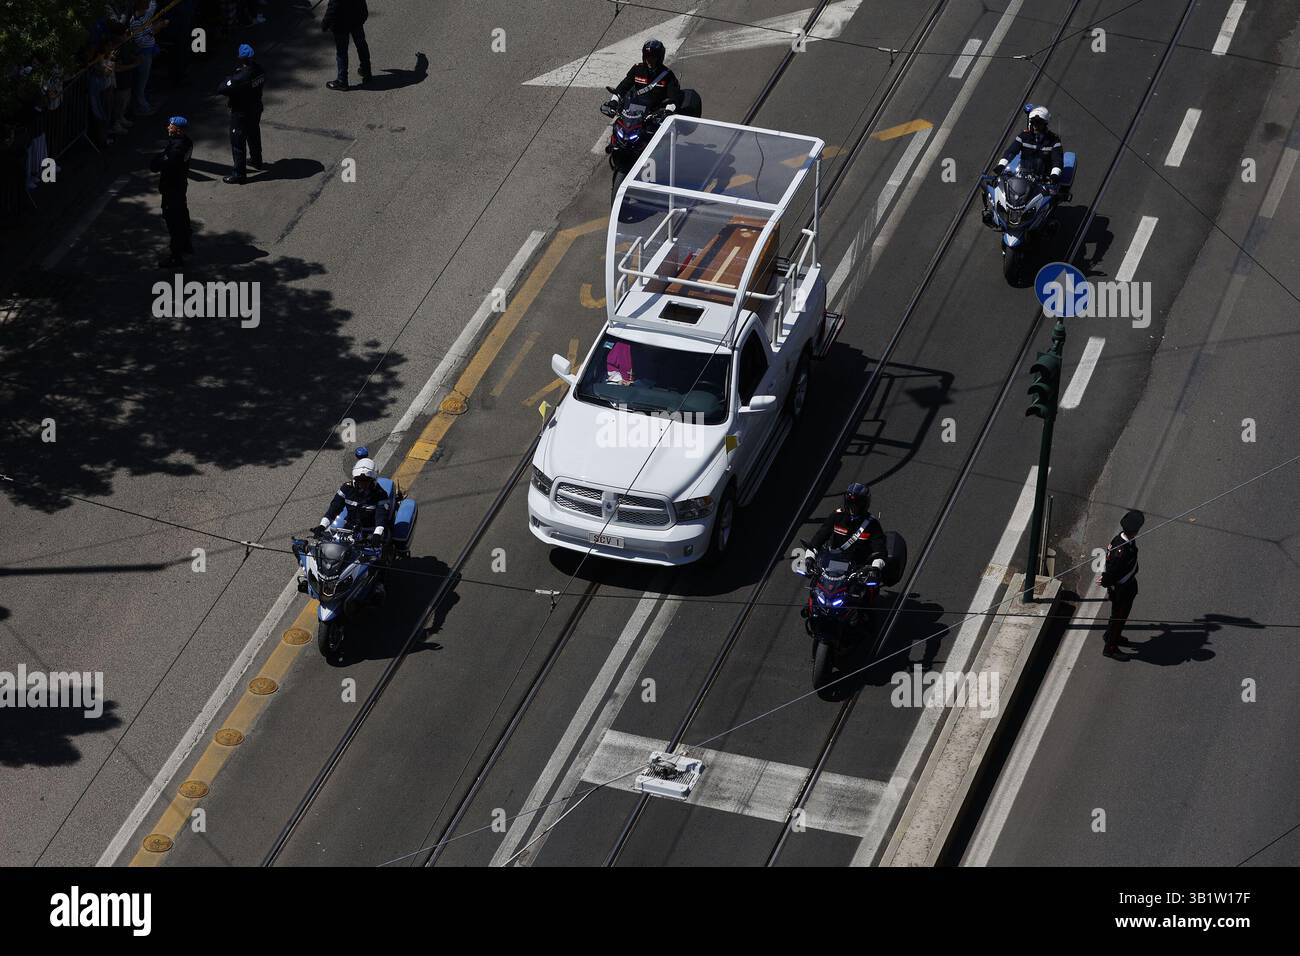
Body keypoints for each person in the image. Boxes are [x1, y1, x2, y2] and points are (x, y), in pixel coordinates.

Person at [807, 482, 888, 582]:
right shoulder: (836, 516)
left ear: (864, 504)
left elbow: (880, 551)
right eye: (850, 502)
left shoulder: (872, 524)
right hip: (832, 566)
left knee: (869, 589)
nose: (853, 507)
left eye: (857, 504)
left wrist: (874, 568)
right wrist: (809, 558)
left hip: (859, 571)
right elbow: (819, 538)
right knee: (815, 587)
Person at [149, 116, 194, 268]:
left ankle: (176, 256)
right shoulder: (186, 142)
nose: (168, 127)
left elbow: (156, 165)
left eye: (171, 126)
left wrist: (159, 157)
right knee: (182, 213)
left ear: (179, 129)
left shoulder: (176, 149)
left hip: (172, 188)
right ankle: (187, 243)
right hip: (180, 185)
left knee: (173, 221)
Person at [1098, 509, 1143, 659]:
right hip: (1121, 589)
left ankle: (1111, 635)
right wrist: (1105, 581)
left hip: (1127, 584)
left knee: (1117, 615)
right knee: (1119, 617)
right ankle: (1111, 647)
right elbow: (1112, 571)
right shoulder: (1121, 551)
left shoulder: (1122, 539)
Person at [220, 43, 265, 183]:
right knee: (253, 134)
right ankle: (257, 160)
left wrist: (229, 78)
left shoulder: (241, 76)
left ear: (240, 57)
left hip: (241, 112)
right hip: (256, 107)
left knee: (237, 142)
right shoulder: (259, 69)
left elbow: (221, 88)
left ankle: (239, 174)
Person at [316, 457, 390, 541]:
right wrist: (322, 526)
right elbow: (333, 509)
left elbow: (381, 517)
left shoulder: (381, 494)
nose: (363, 483)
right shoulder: (346, 488)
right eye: (359, 480)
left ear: (372, 480)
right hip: (349, 529)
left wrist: (377, 534)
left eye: (366, 480)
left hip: (371, 531)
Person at [606, 39, 680, 116]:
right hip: (633, 111)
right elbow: (622, 88)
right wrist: (614, 101)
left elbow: (673, 99)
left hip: (654, 114)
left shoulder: (667, 75)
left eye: (653, 57)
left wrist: (668, 111)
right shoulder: (637, 69)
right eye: (647, 56)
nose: (649, 60)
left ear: (659, 58)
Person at [994, 105, 1064, 181]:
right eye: (1033, 122)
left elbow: (1057, 161)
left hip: (1044, 180)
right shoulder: (1023, 137)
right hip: (1022, 177)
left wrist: (1054, 175)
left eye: (1039, 123)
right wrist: (1001, 165)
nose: (1035, 126)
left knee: (1053, 192)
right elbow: (1011, 152)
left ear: (1045, 124)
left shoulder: (1054, 141)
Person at [128, 0, 168, 117]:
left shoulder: (146, 14)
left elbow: (153, 5)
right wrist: (155, 29)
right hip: (143, 54)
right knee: (141, 83)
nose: (148, 2)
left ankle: (143, 104)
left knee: (145, 81)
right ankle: (142, 108)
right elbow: (140, 41)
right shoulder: (135, 22)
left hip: (149, 52)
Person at [322, 0, 372, 90]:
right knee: (361, 45)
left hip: (341, 24)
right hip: (356, 18)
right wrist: (364, 14)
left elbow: (334, 7)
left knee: (342, 52)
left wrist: (325, 23)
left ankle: (342, 80)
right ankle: (366, 71)